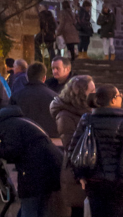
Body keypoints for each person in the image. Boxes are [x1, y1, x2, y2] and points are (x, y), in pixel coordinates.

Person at [69, 84, 123, 217]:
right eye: (119, 95)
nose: (121, 97)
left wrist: (80, 174)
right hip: (118, 183)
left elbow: (74, 149)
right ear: (113, 100)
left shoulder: (87, 119)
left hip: (93, 180)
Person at [0, 105, 63, 217]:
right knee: (40, 206)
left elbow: (11, 150)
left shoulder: (7, 126)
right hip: (50, 165)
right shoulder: (22, 121)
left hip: (35, 171)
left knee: (30, 205)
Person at [51, 75, 94, 217]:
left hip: (87, 169)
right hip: (76, 172)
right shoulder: (65, 115)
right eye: (92, 90)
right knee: (79, 211)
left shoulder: (87, 112)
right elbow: (71, 145)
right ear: (82, 94)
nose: (95, 93)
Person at [9, 62, 59, 137]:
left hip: (23, 138)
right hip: (48, 139)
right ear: (44, 78)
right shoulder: (54, 97)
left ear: (27, 77)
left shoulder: (16, 96)